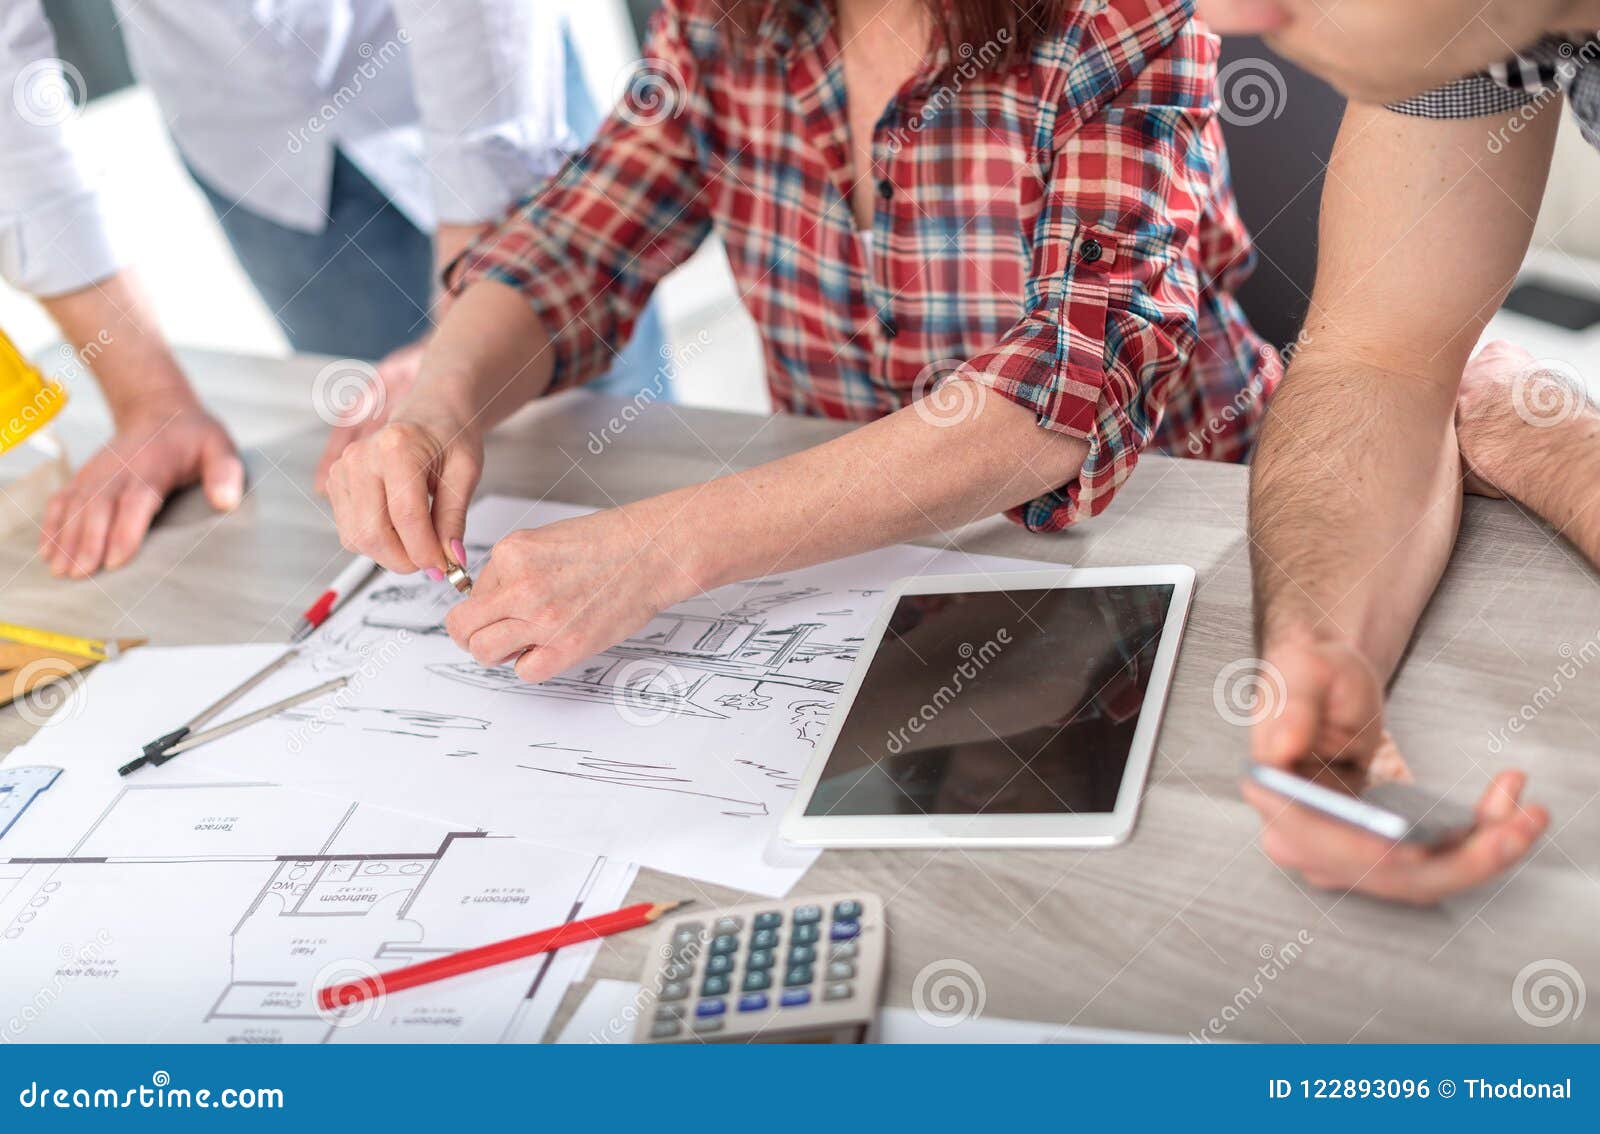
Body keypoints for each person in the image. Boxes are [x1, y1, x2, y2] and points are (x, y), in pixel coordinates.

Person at [326, 0, 1278, 688]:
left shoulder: (1124, 19)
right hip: (868, 565)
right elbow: (575, 245)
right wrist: (438, 407)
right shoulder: (719, 23)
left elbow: (1072, 384)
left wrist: (653, 552)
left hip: (1171, 542)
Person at [0, 0, 663, 579]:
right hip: (257, 144)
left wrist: (460, 356)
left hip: (497, 89)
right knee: (387, 480)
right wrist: (148, 400)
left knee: (617, 454)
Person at [1196, 0, 1600, 901]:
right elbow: (1378, 355)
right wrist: (1326, 643)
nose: (1225, 16)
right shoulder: (1479, 23)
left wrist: (1557, 448)